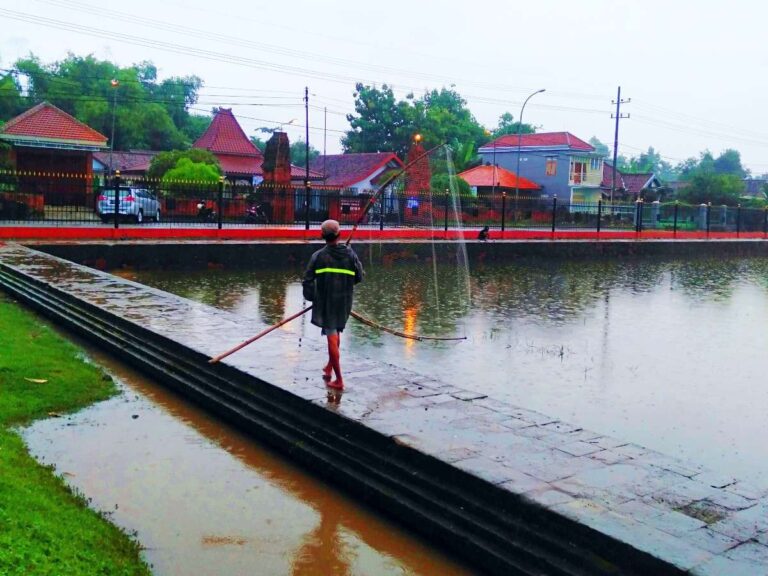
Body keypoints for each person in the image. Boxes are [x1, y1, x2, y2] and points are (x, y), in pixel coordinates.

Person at [302, 219, 364, 390]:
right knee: (336, 332)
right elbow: (359, 277)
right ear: (340, 235)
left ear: (322, 236)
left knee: (332, 336)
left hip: (327, 302)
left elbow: (307, 281)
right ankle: (329, 367)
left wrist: (313, 297)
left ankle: (339, 380)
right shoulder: (350, 255)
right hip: (344, 301)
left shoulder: (318, 256)